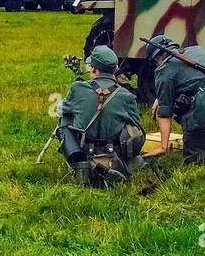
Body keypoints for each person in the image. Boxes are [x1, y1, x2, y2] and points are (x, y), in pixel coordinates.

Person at [140, 35, 205, 164]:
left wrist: (163, 146)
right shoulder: (197, 50)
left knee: (193, 161)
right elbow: (189, 76)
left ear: (156, 58)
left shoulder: (163, 71)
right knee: (201, 137)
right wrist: (161, 96)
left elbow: (164, 114)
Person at [58, 44, 145, 186]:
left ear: (93, 69)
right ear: (115, 71)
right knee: (132, 126)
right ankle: (119, 165)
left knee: (65, 116)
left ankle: (79, 163)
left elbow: (60, 110)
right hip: (115, 151)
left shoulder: (78, 88)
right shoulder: (127, 96)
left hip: (84, 150)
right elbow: (138, 130)